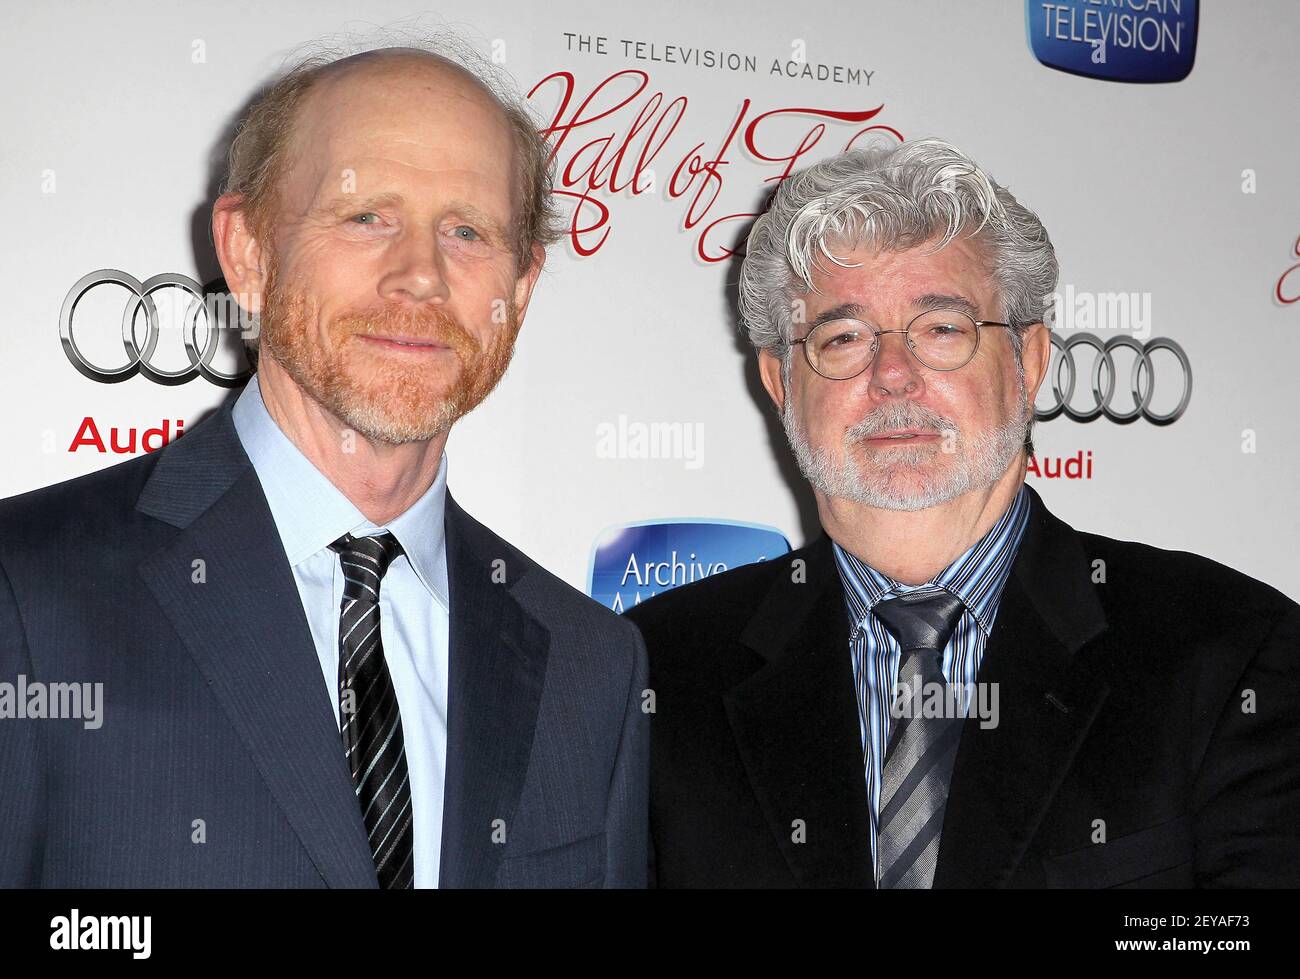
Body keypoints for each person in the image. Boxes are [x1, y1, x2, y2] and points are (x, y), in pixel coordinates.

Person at [0, 42, 647, 888]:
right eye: (367, 215)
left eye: (467, 230)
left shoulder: (591, 667)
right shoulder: (28, 590)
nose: (420, 275)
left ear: (519, 292)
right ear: (249, 255)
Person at [625, 138, 1300, 888]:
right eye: (842, 336)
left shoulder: (1231, 651)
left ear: (1030, 359)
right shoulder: (657, 673)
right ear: (782, 381)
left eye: (942, 329)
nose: (892, 375)